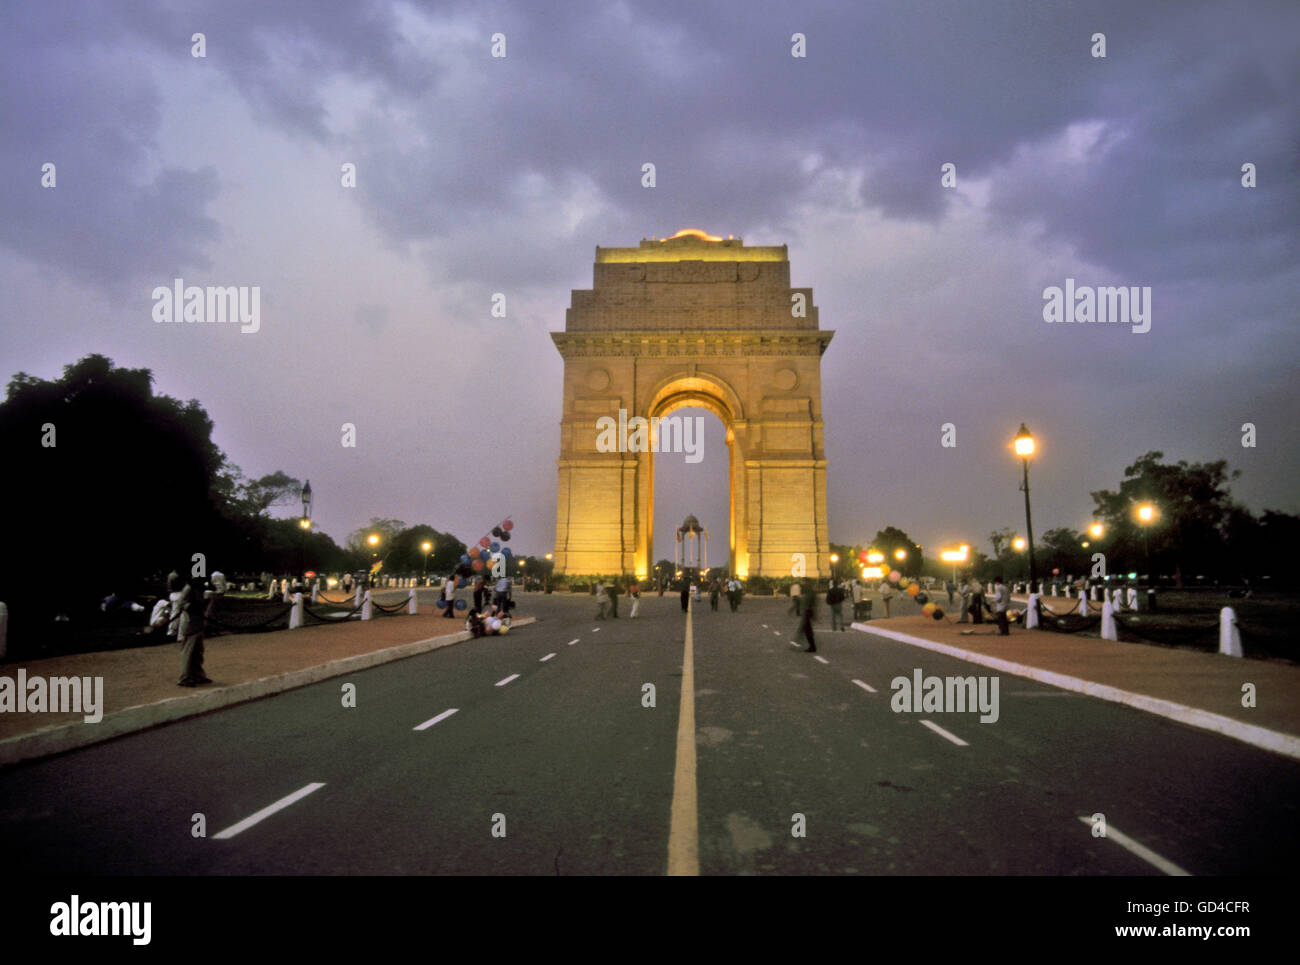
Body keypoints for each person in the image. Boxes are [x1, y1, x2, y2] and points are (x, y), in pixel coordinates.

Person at [176, 577, 212, 687]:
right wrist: (192, 607)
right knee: (188, 651)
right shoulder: (189, 588)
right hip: (190, 622)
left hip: (198, 622)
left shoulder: (199, 588)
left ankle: (198, 675)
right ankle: (184, 677)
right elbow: (181, 603)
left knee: (198, 651)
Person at [799, 582, 818, 652]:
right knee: (807, 629)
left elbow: (813, 604)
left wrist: (815, 614)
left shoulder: (810, 593)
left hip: (808, 612)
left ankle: (812, 646)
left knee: (807, 629)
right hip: (808, 612)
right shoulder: (809, 593)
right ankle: (812, 646)